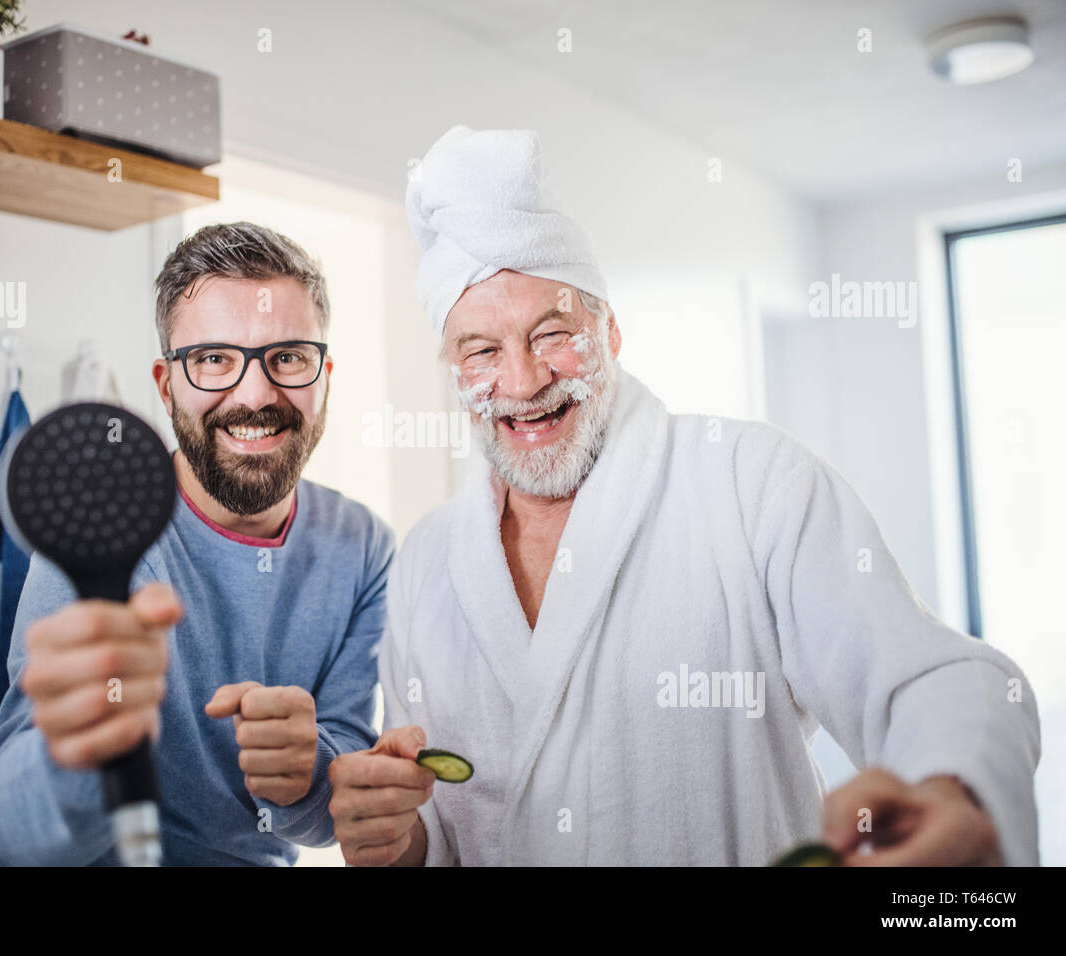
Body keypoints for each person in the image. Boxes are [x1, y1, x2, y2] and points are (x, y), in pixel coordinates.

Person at [327, 125, 1040, 866]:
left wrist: (957, 790)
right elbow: (435, 837)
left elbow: (935, 677)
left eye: (553, 332)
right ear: (451, 368)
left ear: (611, 332)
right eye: (482, 351)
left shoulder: (750, 483)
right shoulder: (426, 560)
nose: (524, 381)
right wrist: (391, 837)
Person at [0, 222, 394, 865]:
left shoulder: (363, 547)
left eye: (287, 356)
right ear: (165, 383)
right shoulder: (100, 526)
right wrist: (72, 751)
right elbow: (20, 838)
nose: (255, 394)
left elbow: (326, 819)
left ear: (325, 376)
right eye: (213, 360)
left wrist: (304, 773)